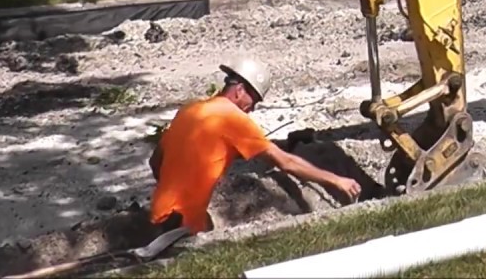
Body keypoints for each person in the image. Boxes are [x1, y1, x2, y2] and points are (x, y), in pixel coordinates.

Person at [147, 56, 362, 236]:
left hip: (159, 215)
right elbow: (285, 162)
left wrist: (178, 191)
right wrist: (336, 180)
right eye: (254, 101)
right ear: (240, 90)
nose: (252, 109)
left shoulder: (190, 110)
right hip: (184, 228)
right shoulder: (232, 118)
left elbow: (155, 162)